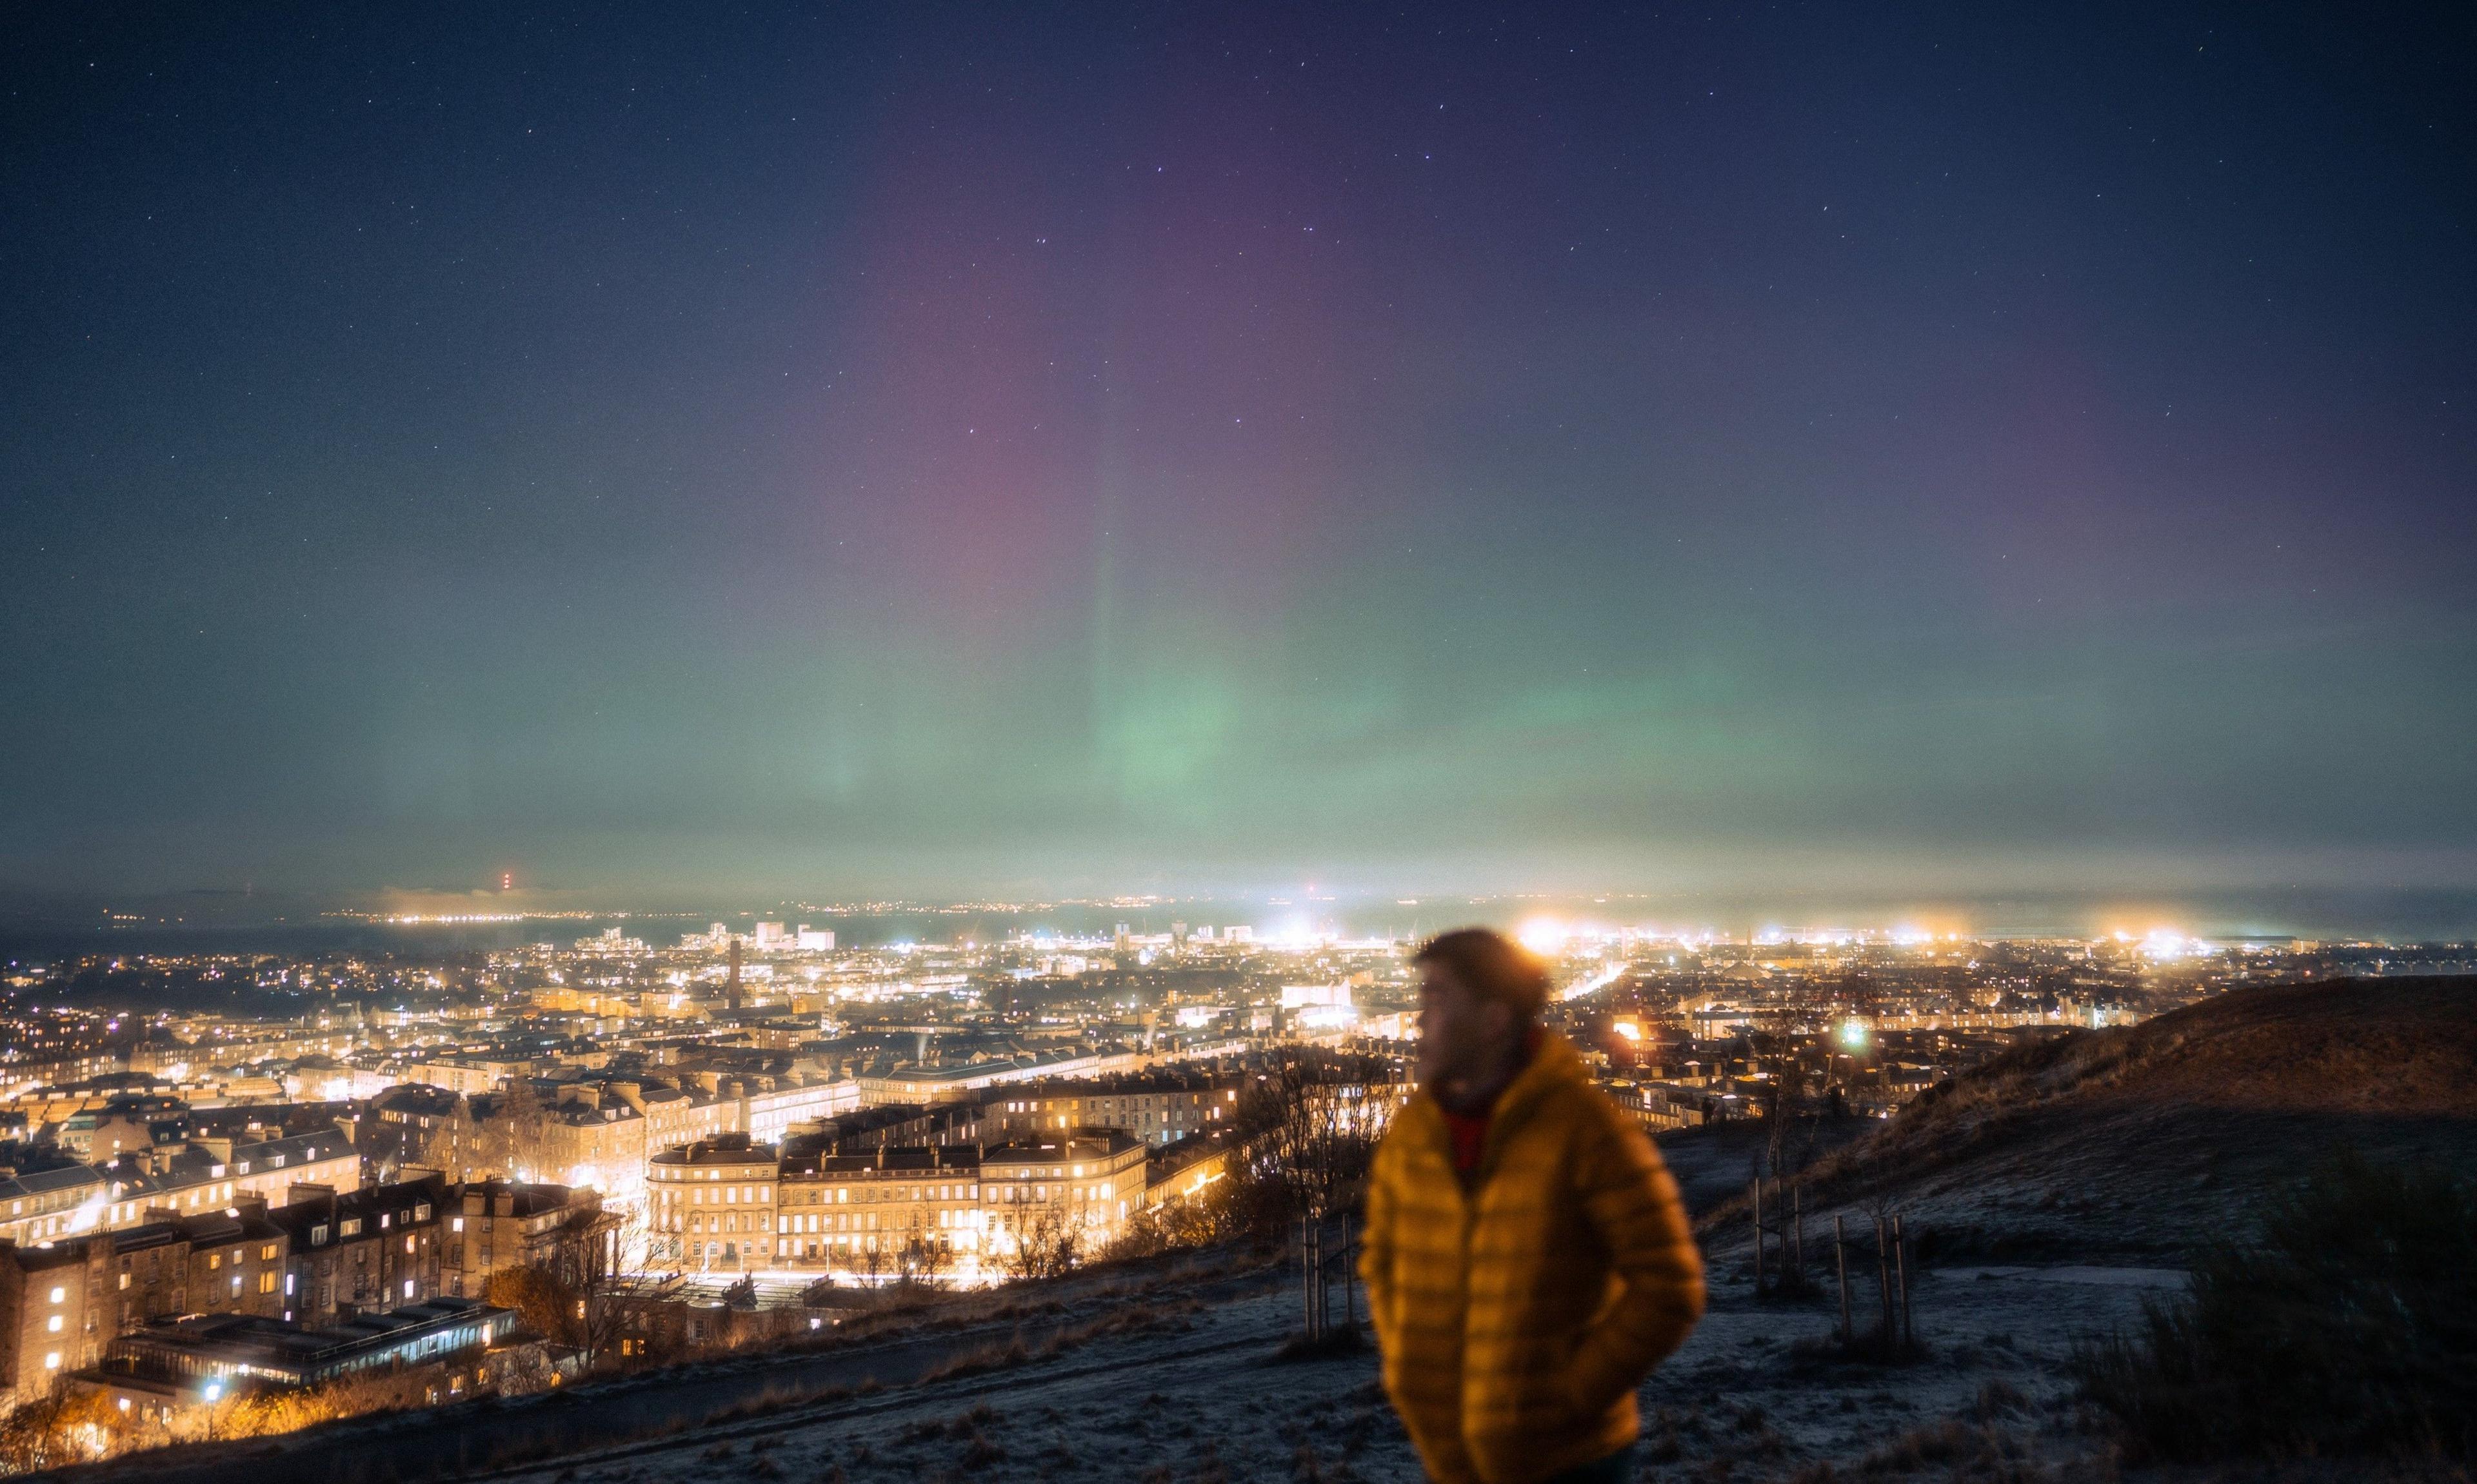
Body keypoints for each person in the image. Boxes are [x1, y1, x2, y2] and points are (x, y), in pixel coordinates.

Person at [1360, 928, 1705, 1484]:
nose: (1419, 1019)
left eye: (1438, 998)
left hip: (1571, 1464)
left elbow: (1669, 1286)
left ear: (1494, 1020)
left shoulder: (1585, 1128)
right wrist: (1410, 1372)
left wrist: (1569, 1398)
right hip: (1453, 1458)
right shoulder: (1415, 1134)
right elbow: (1381, 1262)